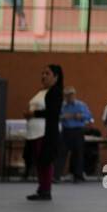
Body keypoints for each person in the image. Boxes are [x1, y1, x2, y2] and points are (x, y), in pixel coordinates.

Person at [26, 65, 64, 201]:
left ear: (56, 77)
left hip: (45, 132)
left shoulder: (56, 92)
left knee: (45, 162)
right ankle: (41, 188)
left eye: (47, 73)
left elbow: (53, 112)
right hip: (35, 132)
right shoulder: (43, 91)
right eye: (42, 73)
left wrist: (34, 113)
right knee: (39, 162)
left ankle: (46, 190)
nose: (43, 76)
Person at [59, 86, 92, 183]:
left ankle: (78, 175)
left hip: (78, 131)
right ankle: (57, 175)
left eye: (70, 95)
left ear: (74, 95)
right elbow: (57, 116)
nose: (69, 97)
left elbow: (89, 116)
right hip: (66, 131)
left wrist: (79, 116)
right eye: (67, 95)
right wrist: (63, 117)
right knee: (62, 153)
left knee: (78, 154)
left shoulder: (81, 105)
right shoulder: (62, 106)